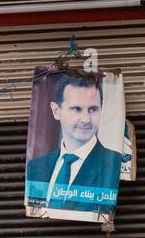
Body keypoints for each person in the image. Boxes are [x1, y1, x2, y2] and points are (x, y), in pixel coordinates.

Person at [25, 71, 124, 213]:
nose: (86, 119)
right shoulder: (35, 167)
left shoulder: (114, 163)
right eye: (76, 109)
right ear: (56, 111)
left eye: (93, 109)